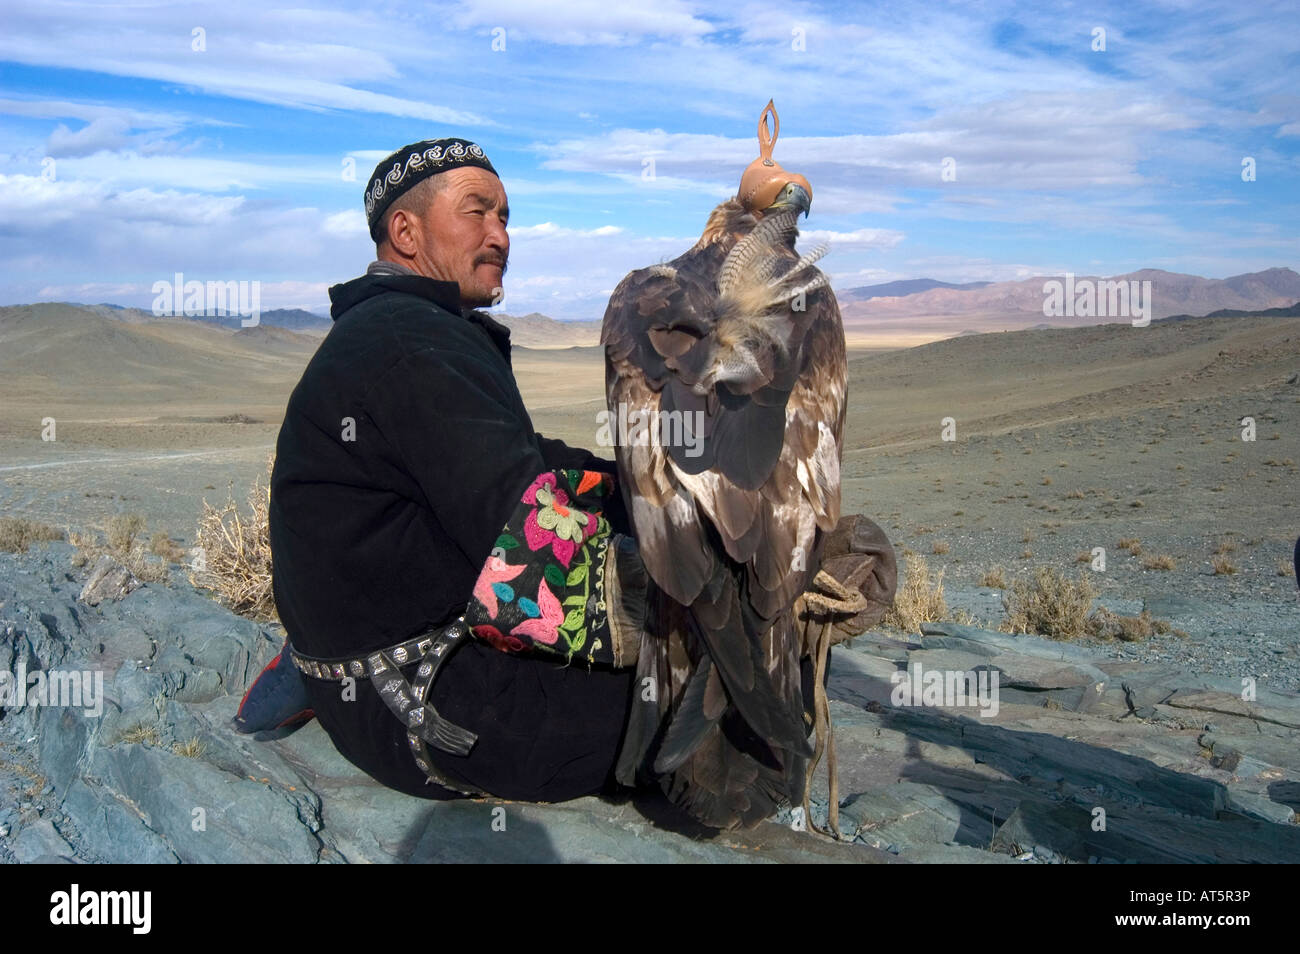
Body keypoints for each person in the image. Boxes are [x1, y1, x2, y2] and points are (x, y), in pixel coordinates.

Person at [247, 138, 649, 803]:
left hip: (364, 678)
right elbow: (529, 559)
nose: (501, 236)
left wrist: (648, 496)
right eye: (477, 213)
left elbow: (521, 458)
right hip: (426, 705)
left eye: (506, 216)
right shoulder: (413, 341)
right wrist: (705, 598)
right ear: (404, 232)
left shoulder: (399, 329)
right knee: (713, 679)